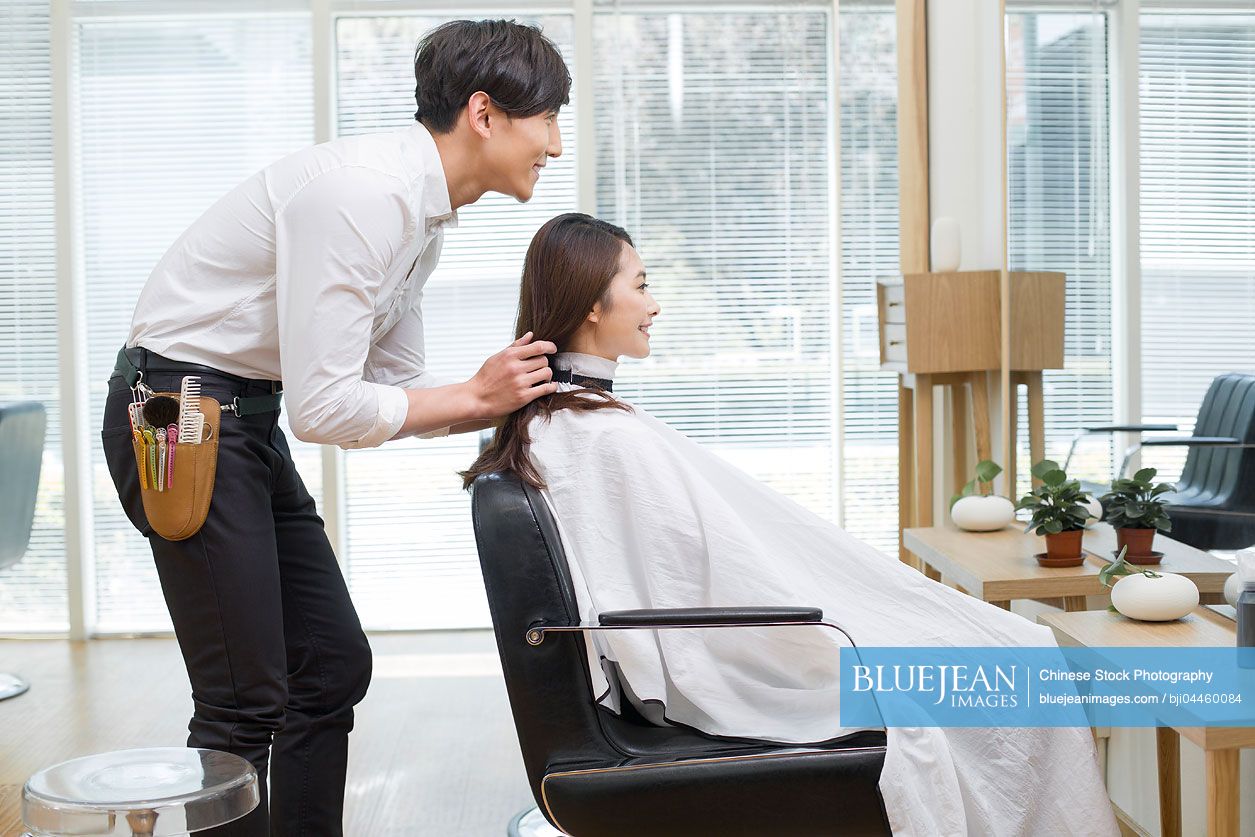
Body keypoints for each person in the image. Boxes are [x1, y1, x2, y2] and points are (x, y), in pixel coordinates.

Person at [462, 213, 1120, 836]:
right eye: (640, 285)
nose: (654, 303)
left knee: (994, 649)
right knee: (1017, 661)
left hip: (740, 641)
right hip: (743, 658)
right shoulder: (600, 437)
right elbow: (706, 576)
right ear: (591, 306)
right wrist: (836, 621)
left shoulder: (564, 425)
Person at [101, 20, 567, 836]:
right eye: (548, 119)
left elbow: (390, 387)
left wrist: (498, 397)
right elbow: (326, 409)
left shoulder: (419, 218)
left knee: (328, 667)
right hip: (180, 413)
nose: (555, 146)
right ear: (485, 113)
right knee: (242, 701)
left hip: (243, 411)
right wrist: (469, 396)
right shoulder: (364, 196)